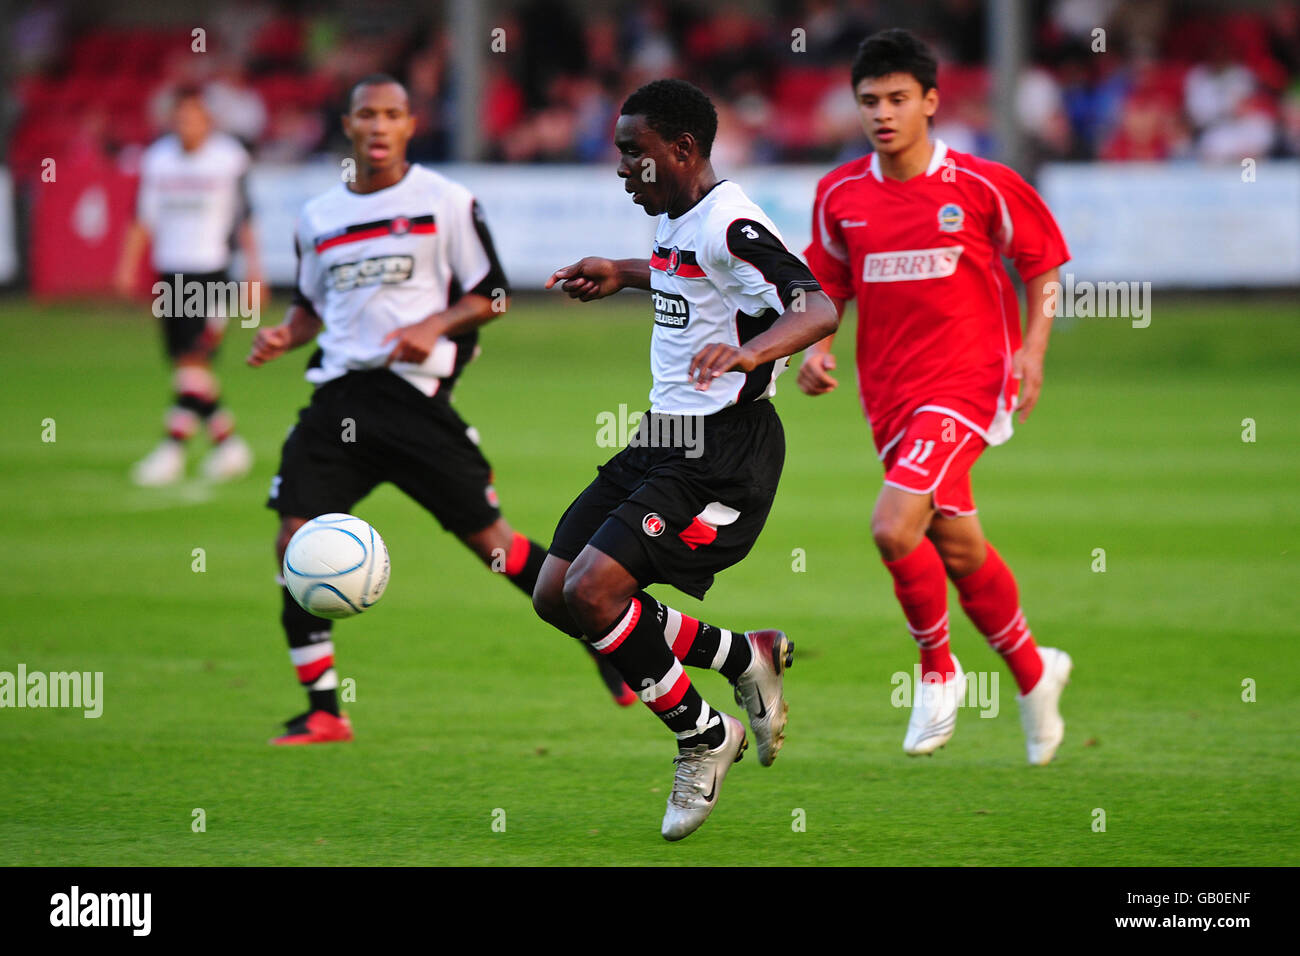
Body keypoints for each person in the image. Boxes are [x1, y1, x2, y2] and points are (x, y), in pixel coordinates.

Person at [248, 74, 632, 746]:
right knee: (294, 539)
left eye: (392, 114)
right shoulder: (317, 219)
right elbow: (312, 307)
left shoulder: (446, 202)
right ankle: (325, 710)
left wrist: (434, 323)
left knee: (496, 547)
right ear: (348, 124)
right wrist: (286, 333)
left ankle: (602, 638)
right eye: (366, 114)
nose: (378, 126)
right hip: (338, 395)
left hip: (416, 399)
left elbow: (493, 296)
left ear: (409, 124)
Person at [535, 79, 839, 840]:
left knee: (596, 592)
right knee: (553, 592)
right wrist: (624, 270)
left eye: (633, 154)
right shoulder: (680, 219)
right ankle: (744, 654)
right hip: (663, 436)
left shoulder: (731, 222)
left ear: (684, 149)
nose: (622, 169)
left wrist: (751, 353)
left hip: (721, 450)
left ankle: (704, 736)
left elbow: (816, 303)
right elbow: (685, 275)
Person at [799, 29, 1073, 764]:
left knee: (893, 527)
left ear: (930, 101)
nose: (882, 113)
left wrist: (1033, 350)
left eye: (897, 99)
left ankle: (936, 671)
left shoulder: (981, 184)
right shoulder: (840, 194)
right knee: (956, 545)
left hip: (969, 382)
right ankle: (1034, 673)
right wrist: (818, 348)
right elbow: (827, 287)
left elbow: (1043, 266)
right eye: (868, 101)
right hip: (888, 395)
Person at [117, 86, 259, 487]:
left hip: (212, 269)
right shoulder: (158, 158)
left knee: (196, 359)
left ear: (207, 120)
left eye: (194, 117)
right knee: (185, 363)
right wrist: (128, 265)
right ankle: (228, 445)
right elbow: (142, 215)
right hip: (171, 271)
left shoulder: (228, 158)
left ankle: (172, 450)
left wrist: (255, 271)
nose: (187, 125)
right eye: (180, 118)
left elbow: (246, 217)